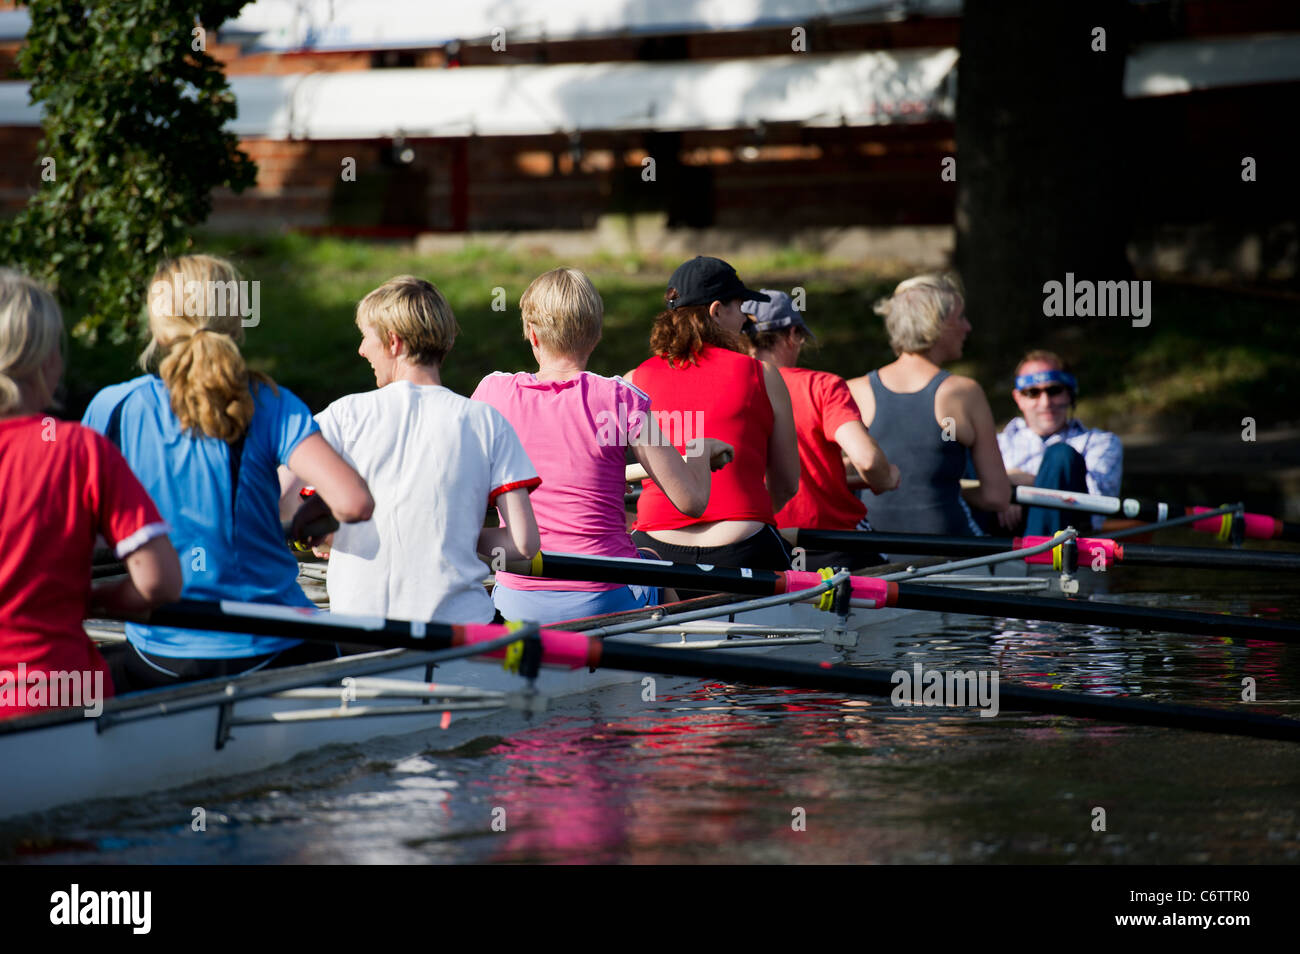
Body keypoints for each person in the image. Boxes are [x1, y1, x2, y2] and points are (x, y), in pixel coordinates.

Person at [82, 255, 373, 691]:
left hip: (163, 657)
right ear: (235, 320)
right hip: (276, 651)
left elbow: (75, 528)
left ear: (157, 326)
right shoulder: (271, 400)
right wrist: (316, 515)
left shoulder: (113, 407)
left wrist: (100, 598)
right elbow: (354, 503)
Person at [472, 267, 732, 622]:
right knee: (652, 564)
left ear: (532, 335)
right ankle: (674, 666)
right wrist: (700, 452)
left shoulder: (492, 393)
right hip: (603, 596)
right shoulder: (621, 398)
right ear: (596, 336)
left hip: (519, 597)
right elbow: (691, 501)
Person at [299, 275, 541, 624]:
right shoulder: (487, 422)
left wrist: (322, 536)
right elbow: (523, 545)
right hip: (459, 630)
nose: (361, 350)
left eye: (366, 338)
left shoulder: (342, 415)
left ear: (393, 342)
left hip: (358, 628)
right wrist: (456, 536)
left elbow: (290, 507)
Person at [1, 272, 182, 718]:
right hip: (56, 693)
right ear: (46, 361)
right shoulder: (77, 448)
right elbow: (160, 582)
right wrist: (100, 600)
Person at [627, 256, 799, 571]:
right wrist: (754, 514)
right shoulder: (763, 374)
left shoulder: (631, 381)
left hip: (653, 549)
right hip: (743, 547)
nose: (747, 320)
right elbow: (787, 483)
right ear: (716, 310)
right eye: (741, 307)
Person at [742, 290, 900, 569]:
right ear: (792, 335)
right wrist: (885, 477)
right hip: (833, 544)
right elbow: (868, 460)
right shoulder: (822, 386)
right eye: (800, 337)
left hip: (761, 545)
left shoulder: (730, 388)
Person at [846, 273, 1009, 536]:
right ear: (938, 324)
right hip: (948, 556)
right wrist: (942, 487)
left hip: (871, 556)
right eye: (960, 318)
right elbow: (997, 496)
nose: (968, 327)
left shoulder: (853, 390)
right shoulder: (964, 392)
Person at [996, 350, 1123, 534]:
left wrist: (1013, 486)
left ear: (1070, 394)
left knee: (1061, 456)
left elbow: (1096, 503)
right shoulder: (997, 443)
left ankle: (1040, 559)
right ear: (1019, 398)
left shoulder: (1102, 443)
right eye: (1033, 392)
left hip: (1065, 542)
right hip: (1002, 537)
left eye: (1054, 390)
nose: (1046, 402)